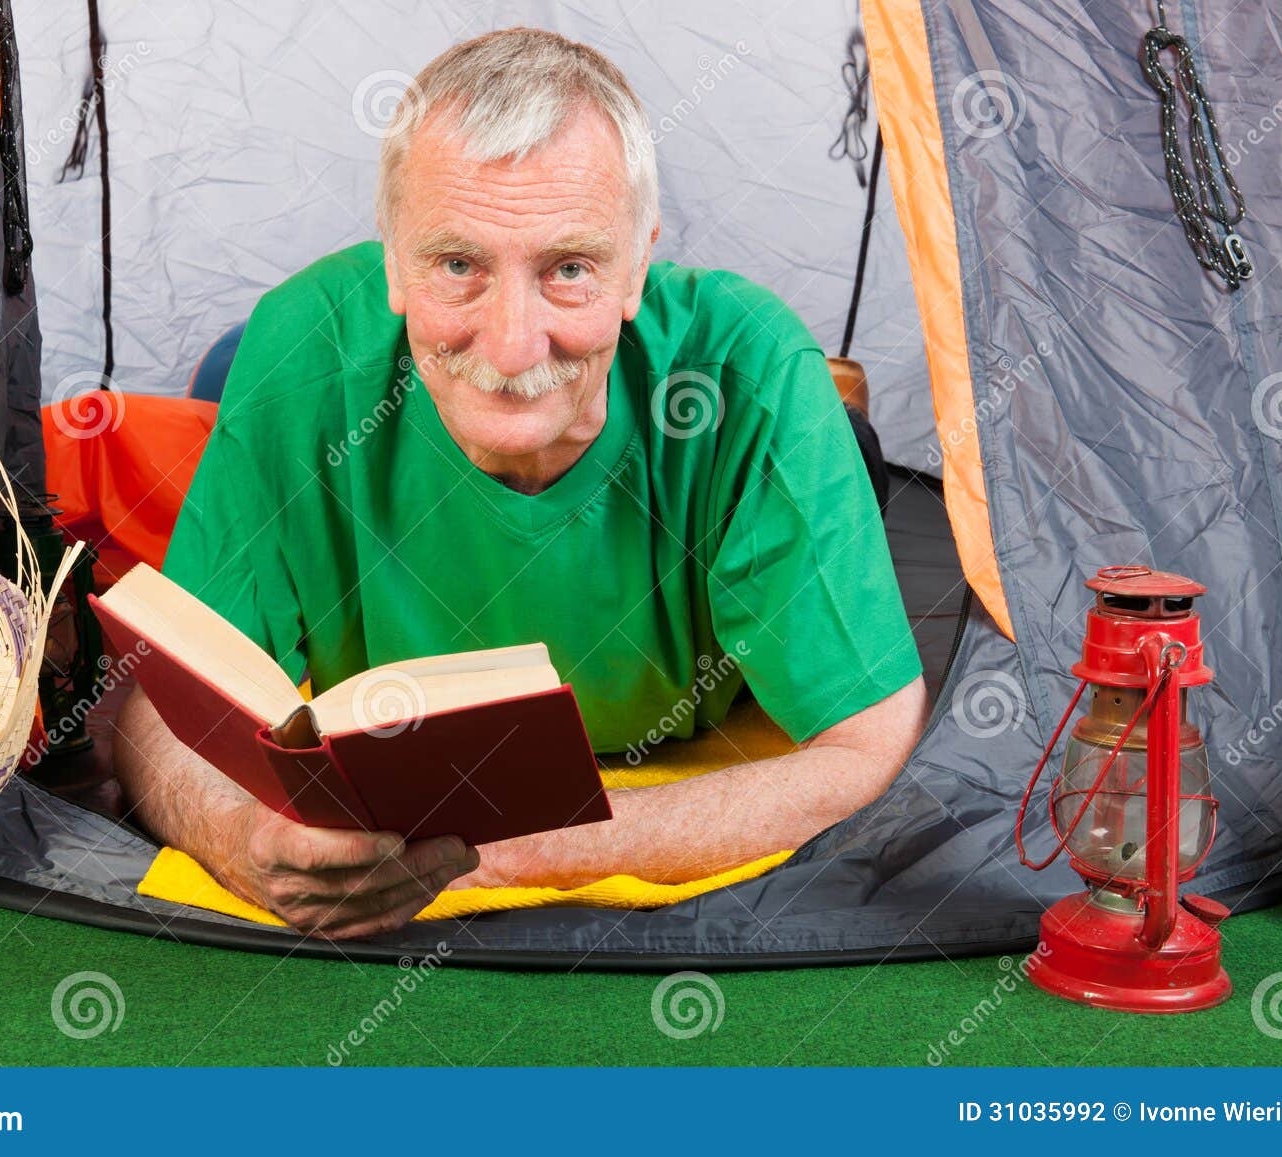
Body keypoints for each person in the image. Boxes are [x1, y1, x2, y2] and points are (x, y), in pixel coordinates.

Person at [113, 27, 927, 940]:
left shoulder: (752, 370)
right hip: (301, 412)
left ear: (636, 266)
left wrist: (503, 854)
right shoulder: (297, 347)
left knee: (841, 448)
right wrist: (236, 837)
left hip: (724, 605)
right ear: (392, 261)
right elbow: (161, 705)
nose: (510, 344)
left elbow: (867, 738)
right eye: (458, 265)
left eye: (569, 269)